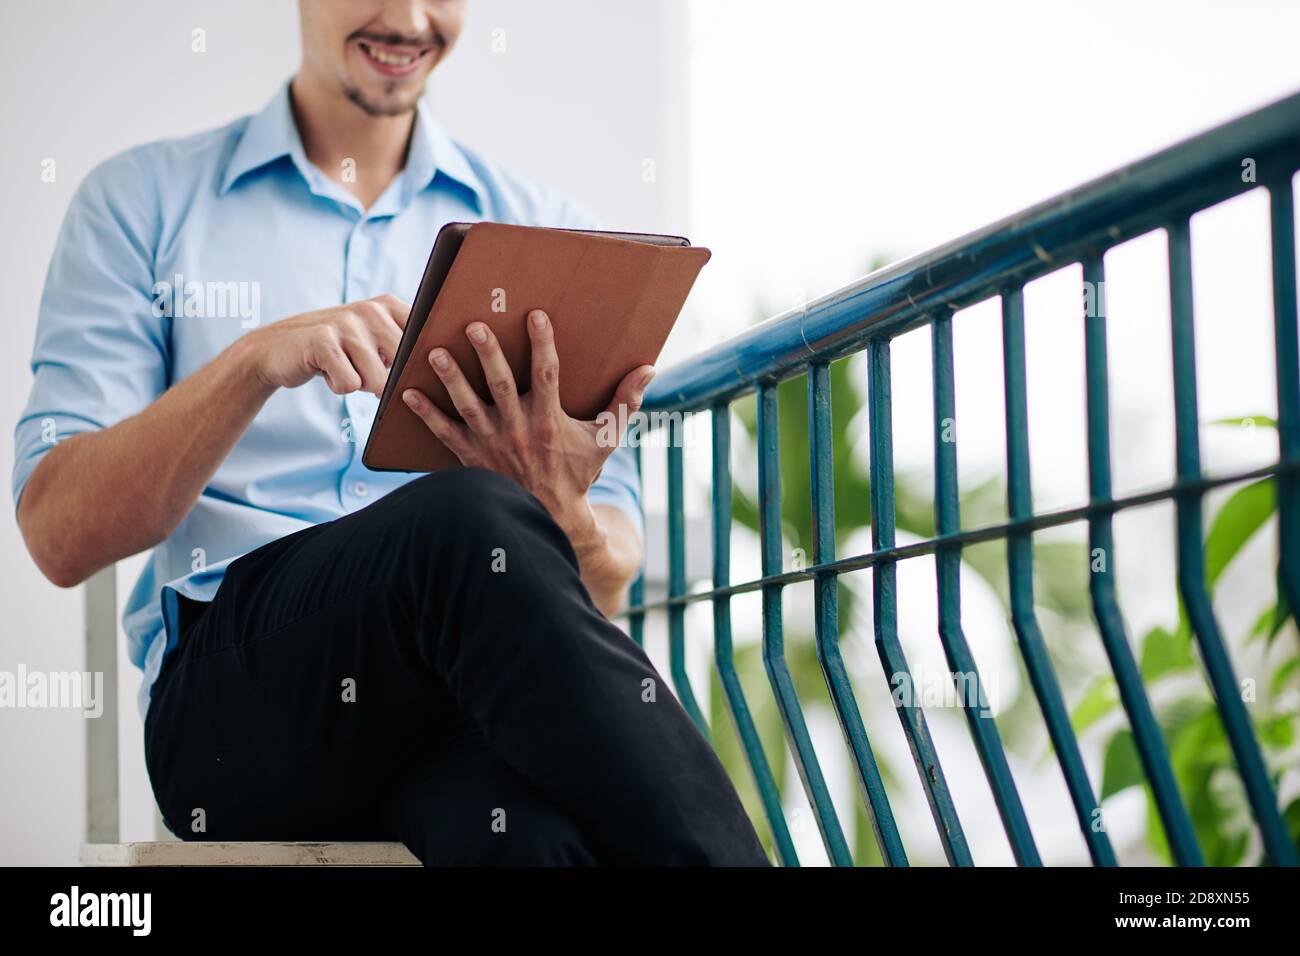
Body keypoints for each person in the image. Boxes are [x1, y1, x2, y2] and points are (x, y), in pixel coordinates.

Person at [14, 0, 767, 866]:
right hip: (236, 715)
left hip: (455, 714)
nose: (409, 18)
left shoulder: (543, 231)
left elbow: (608, 581)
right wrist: (255, 360)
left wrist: (557, 506)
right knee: (461, 520)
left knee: (535, 841)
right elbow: (59, 534)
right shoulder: (140, 202)